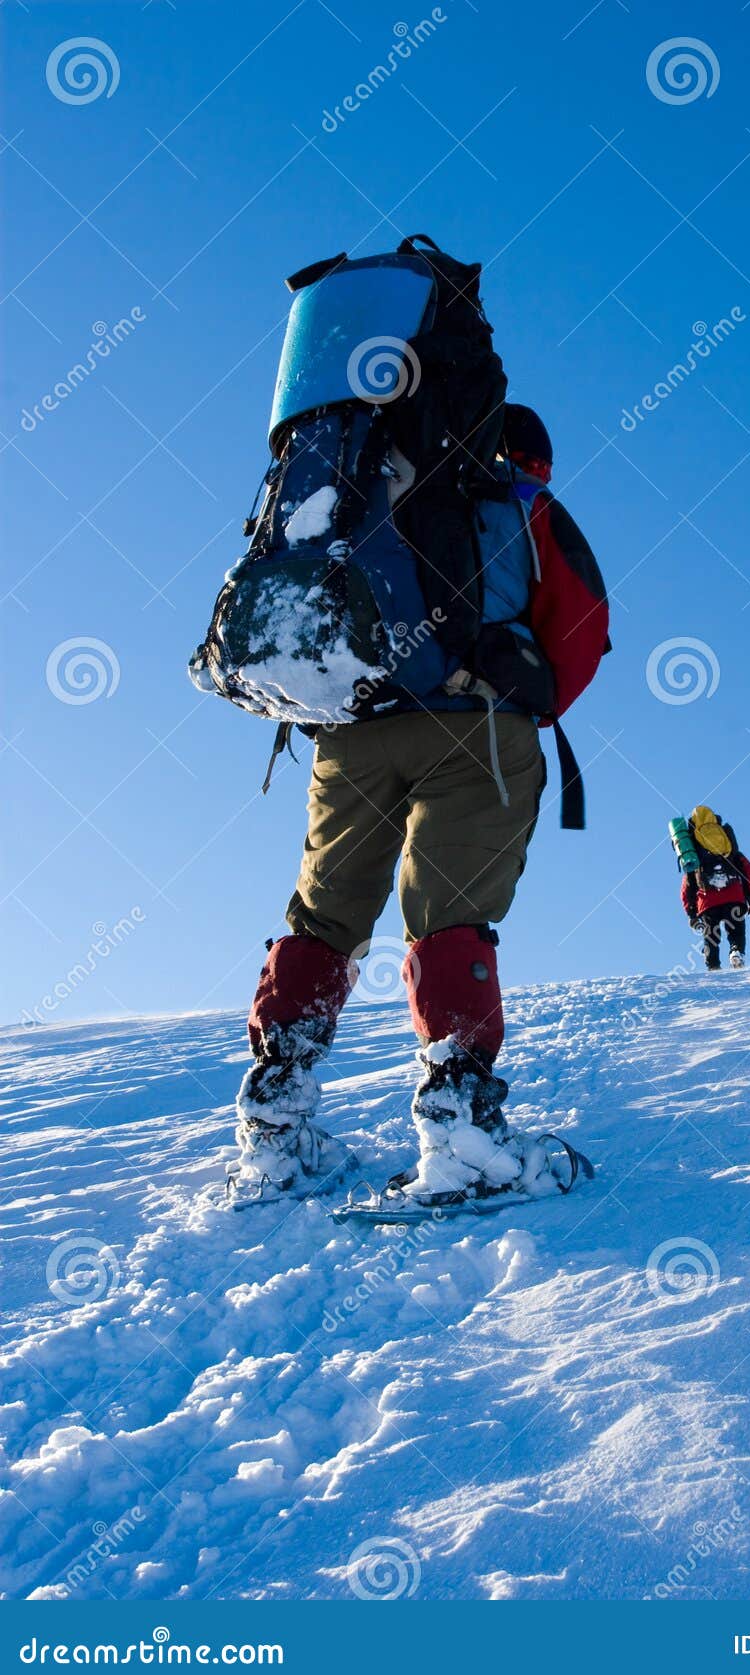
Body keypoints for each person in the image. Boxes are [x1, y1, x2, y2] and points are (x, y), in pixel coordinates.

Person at [235, 401, 608, 1205]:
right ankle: (461, 1127)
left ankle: (275, 1118)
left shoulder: (355, 487)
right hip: (475, 725)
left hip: (351, 729)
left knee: (324, 912)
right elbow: (578, 626)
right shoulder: (521, 501)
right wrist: (530, 700)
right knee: (448, 911)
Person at [680, 806, 750, 971]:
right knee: (736, 930)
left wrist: (691, 913)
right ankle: (736, 951)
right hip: (733, 895)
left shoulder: (693, 852)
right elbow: (749, 872)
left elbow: (687, 886)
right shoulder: (727, 844)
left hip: (707, 900)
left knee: (711, 935)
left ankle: (713, 964)